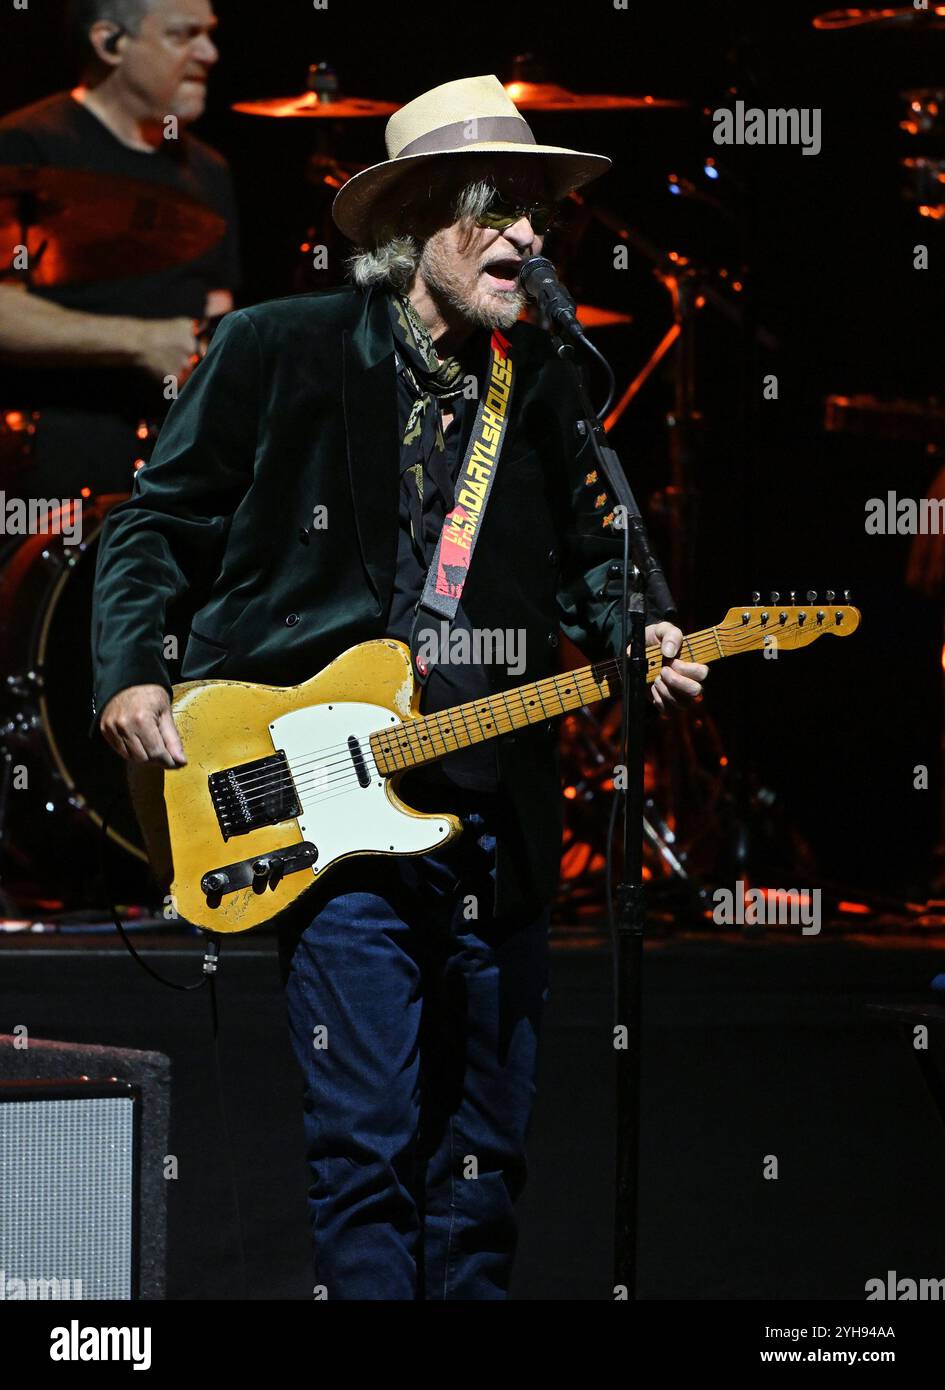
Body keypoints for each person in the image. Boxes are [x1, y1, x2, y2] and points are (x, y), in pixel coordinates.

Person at [91, 74, 709, 1299]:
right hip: (336, 825)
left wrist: (648, 628)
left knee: (481, 1164)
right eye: (499, 209)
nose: (532, 238)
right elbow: (154, 523)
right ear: (411, 222)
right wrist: (133, 670)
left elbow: (598, 559)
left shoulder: (542, 381)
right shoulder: (281, 347)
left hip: (495, 815)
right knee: (367, 1156)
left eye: (541, 216)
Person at [0, 0, 238, 500]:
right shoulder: (25, 146)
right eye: (184, 35)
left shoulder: (206, 168)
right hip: (55, 458)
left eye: (210, 34)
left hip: (178, 456)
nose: (209, 52)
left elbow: (217, 306)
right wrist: (140, 341)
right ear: (109, 42)